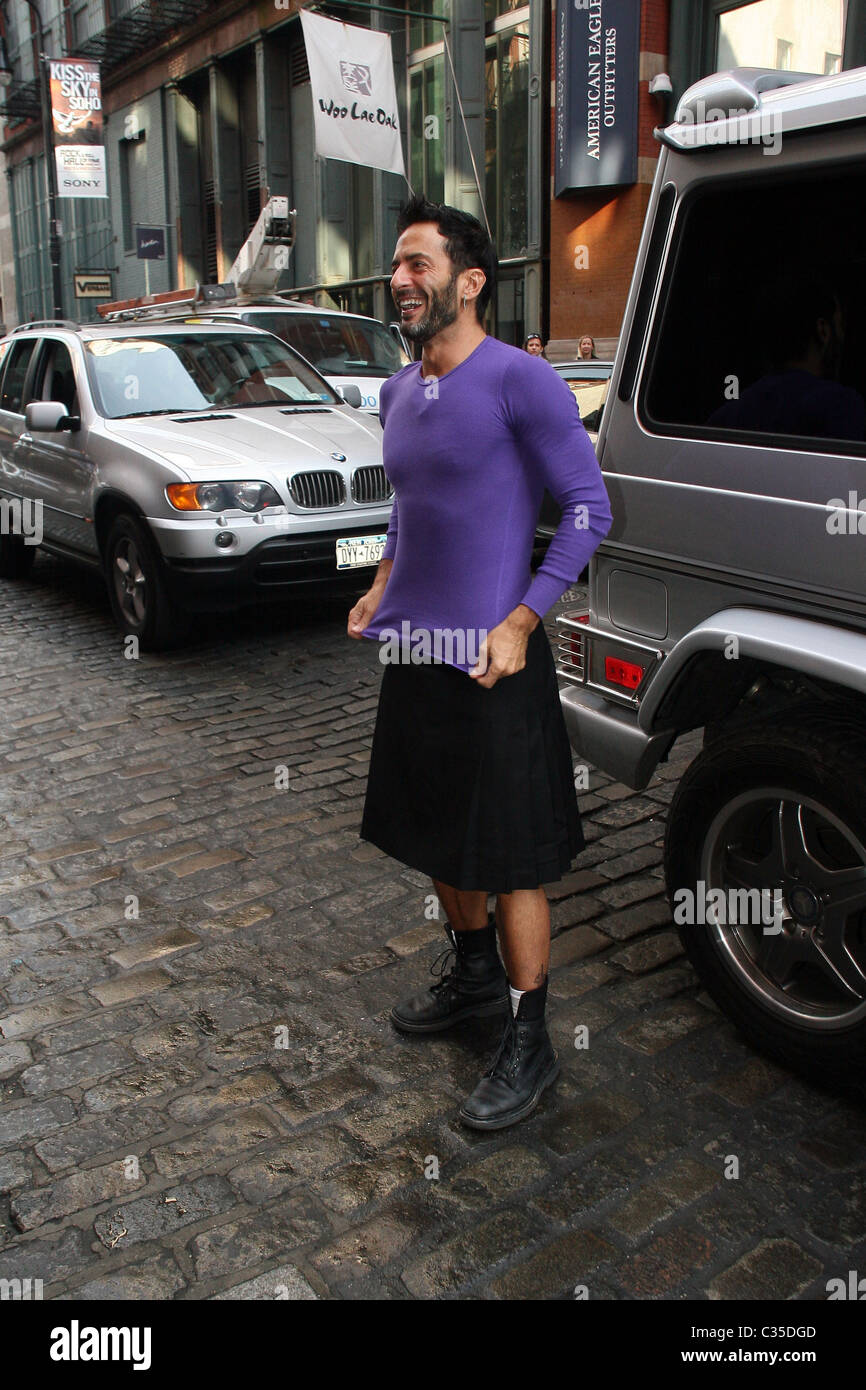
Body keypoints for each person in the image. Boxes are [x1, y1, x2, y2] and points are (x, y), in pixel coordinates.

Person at [347, 195, 612, 1131]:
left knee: (510, 859)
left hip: (495, 662)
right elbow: (410, 506)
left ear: (468, 281)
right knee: (433, 831)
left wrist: (524, 621)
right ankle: (470, 982)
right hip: (416, 649)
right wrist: (384, 579)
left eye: (416, 264)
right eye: (396, 265)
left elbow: (589, 508)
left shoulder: (520, 381)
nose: (399, 280)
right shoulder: (395, 389)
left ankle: (530, 1039)